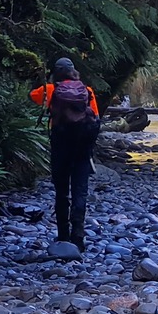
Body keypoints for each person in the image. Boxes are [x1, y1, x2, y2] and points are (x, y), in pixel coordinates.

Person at [29, 57, 100, 250]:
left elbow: (32, 96)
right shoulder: (87, 91)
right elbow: (95, 118)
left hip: (60, 144)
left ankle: (62, 235)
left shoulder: (50, 90)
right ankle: (78, 234)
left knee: (61, 191)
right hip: (82, 148)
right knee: (80, 190)